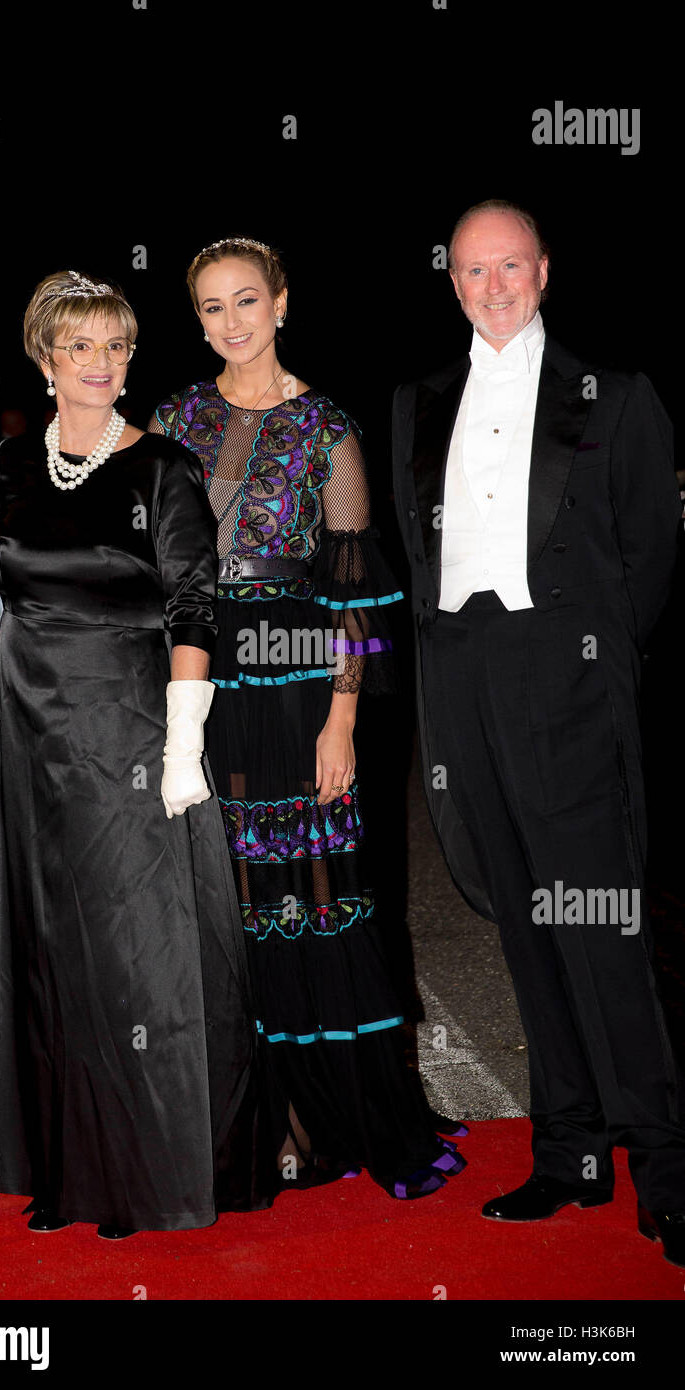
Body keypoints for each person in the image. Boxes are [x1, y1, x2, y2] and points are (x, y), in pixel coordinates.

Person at [0, 270, 273, 1239]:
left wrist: (183, 746)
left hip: (130, 732)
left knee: (136, 961)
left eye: (118, 346)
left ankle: (149, 1172)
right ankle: (69, 1169)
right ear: (44, 357)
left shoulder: (161, 471)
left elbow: (193, 606)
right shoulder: (9, 464)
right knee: (49, 952)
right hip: (27, 730)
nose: (102, 364)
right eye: (81, 347)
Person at [392, 200, 685, 1267]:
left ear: (544, 271)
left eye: (510, 264)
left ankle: (664, 1166)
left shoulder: (619, 396)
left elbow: (648, 559)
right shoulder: (415, 404)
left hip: (564, 675)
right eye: (474, 270)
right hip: (462, 683)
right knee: (522, 926)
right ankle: (568, 1156)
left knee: (601, 932)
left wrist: (581, 657)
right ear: (454, 282)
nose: (493, 285)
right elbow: (416, 563)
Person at [147, 236, 467, 1201]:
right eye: (211, 307)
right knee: (230, 902)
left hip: (295, 686)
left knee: (316, 898)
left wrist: (342, 722)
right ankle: (265, 1120)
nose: (231, 321)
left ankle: (345, 1113)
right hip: (198, 678)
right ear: (196, 317)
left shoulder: (327, 429)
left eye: (247, 300)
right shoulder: (171, 420)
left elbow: (356, 594)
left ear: (282, 304)